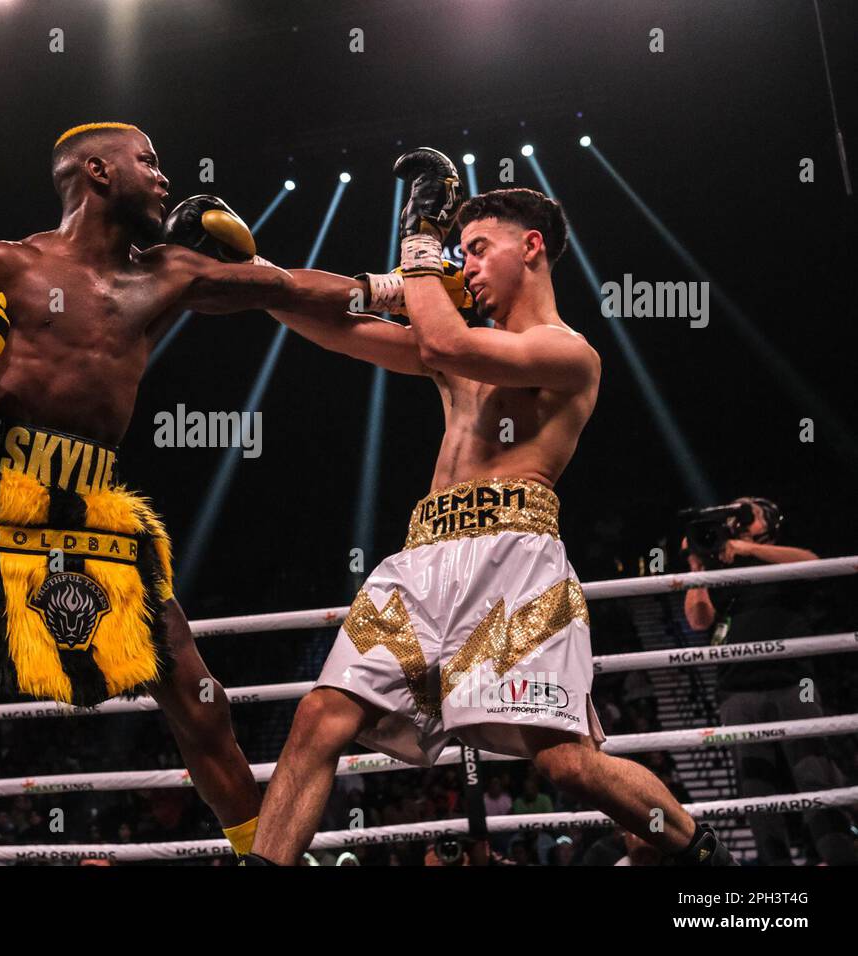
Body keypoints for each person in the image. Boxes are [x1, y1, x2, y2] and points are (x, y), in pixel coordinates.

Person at [0, 122, 373, 865]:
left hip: (98, 514)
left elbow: (288, 287)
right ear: (98, 171)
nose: (166, 178)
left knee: (200, 705)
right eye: (149, 161)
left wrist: (404, 285)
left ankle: (265, 858)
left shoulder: (169, 271)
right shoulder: (8, 263)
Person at [243, 149, 733, 866]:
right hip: (420, 560)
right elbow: (334, 322)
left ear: (531, 247)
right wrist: (246, 277)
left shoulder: (569, 354)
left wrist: (416, 248)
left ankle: (696, 853)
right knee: (320, 717)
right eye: (458, 251)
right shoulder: (458, 345)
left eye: (477, 249)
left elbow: (443, 338)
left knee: (564, 764)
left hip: (514, 553)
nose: (464, 265)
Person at [683, 498, 856, 865]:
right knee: (756, 786)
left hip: (792, 681)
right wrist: (696, 566)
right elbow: (699, 621)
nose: (740, 516)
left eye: (750, 512)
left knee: (813, 774)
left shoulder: (781, 560)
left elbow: (813, 563)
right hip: (736, 687)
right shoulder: (721, 569)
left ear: (772, 525)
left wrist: (747, 547)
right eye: (737, 512)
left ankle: (838, 858)